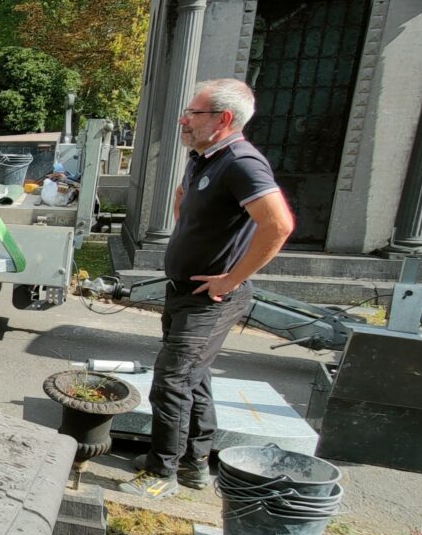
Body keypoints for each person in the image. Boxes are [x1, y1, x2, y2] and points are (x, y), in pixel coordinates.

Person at [119, 78, 295, 500]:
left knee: (172, 380)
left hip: (211, 300)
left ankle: (162, 475)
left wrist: (230, 278)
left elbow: (279, 224)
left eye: (194, 113)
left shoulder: (241, 163)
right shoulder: (203, 156)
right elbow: (186, 200)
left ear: (224, 119)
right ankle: (195, 465)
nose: (184, 119)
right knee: (194, 379)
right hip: (184, 291)